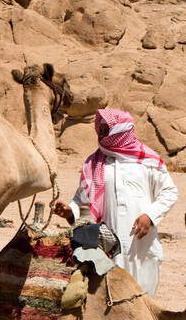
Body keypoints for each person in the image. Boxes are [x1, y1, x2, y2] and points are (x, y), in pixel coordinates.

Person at [54, 108, 178, 295]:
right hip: (105, 243)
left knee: (142, 299)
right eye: (100, 129)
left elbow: (169, 192)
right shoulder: (93, 163)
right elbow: (82, 199)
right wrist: (71, 211)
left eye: (106, 129)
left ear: (120, 131)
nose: (101, 133)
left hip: (140, 244)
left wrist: (150, 216)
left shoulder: (147, 160)